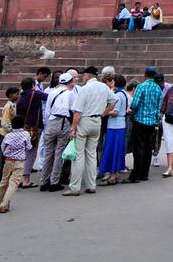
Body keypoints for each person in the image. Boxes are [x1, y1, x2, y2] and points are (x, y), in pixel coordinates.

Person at [64, 66, 115, 196]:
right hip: (96, 121)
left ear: (87, 75)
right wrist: (104, 112)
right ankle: (91, 185)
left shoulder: (85, 89)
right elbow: (114, 100)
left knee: (79, 155)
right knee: (92, 155)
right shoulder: (103, 87)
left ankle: (75, 187)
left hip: (84, 120)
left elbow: (78, 111)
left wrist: (73, 128)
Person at [39, 70, 77, 192]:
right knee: (59, 154)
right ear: (69, 82)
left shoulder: (52, 92)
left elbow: (47, 110)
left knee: (48, 154)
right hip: (62, 123)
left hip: (50, 122)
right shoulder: (70, 94)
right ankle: (54, 182)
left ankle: (44, 181)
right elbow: (74, 109)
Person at [128, 68, 163, 183]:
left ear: (145, 75)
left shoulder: (141, 87)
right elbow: (159, 107)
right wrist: (157, 119)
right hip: (152, 122)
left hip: (140, 120)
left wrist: (133, 110)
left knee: (138, 148)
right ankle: (145, 173)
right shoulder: (158, 89)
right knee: (148, 148)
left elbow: (134, 104)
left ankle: (136, 174)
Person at [0, 116, 32, 213]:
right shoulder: (25, 134)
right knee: (13, 183)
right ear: (22, 125)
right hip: (20, 162)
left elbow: (3, 147)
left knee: (4, 180)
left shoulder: (8, 136)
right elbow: (29, 147)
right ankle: (4, 204)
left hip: (8, 161)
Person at [98, 75, 129, 186]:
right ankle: (114, 174)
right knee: (116, 149)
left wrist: (103, 112)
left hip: (115, 125)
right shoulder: (123, 93)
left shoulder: (118, 95)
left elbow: (115, 112)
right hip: (120, 124)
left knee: (112, 149)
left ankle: (112, 175)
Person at [15, 78, 46, 188]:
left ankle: (17, 178)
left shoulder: (21, 97)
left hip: (22, 127)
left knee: (21, 153)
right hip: (33, 128)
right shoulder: (35, 94)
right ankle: (26, 179)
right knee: (31, 153)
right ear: (33, 85)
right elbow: (48, 97)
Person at [0, 86, 21, 187]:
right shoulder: (8, 106)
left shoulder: (13, 105)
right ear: (10, 95)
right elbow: (5, 123)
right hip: (6, 135)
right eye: (16, 94)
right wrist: (14, 132)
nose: (18, 96)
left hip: (9, 135)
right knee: (3, 158)